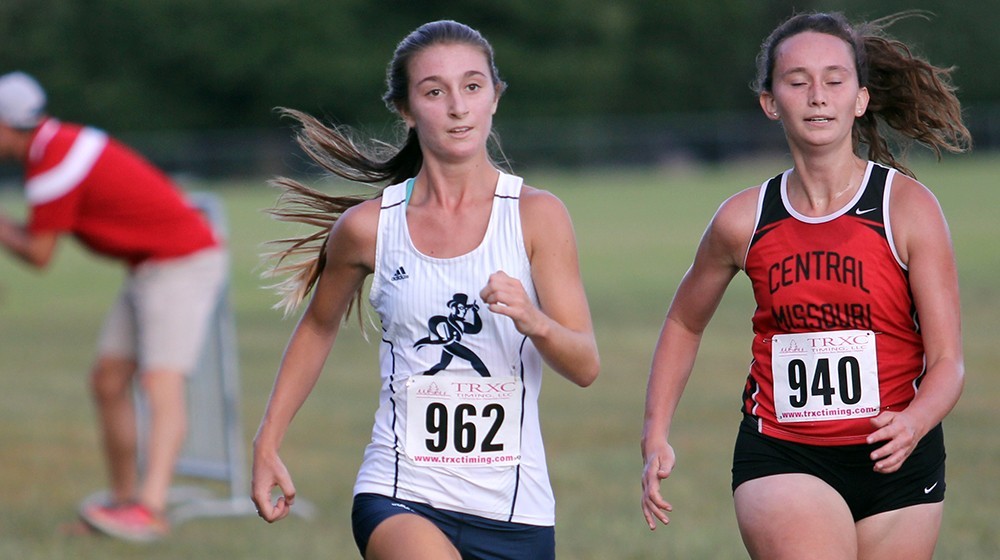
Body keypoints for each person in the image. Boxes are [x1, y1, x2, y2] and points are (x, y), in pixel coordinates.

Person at [251, 20, 599, 560]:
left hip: (516, 509)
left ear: (494, 98)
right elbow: (318, 327)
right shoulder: (370, 228)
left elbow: (585, 366)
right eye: (435, 92)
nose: (458, 106)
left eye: (473, 86)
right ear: (407, 110)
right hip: (400, 492)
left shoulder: (539, 216)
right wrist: (267, 440)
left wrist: (534, 320)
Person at [640, 11, 969, 560]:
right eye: (798, 82)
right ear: (771, 102)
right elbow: (683, 321)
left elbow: (948, 362)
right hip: (784, 455)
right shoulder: (743, 219)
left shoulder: (908, 209)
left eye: (834, 80)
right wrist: (655, 433)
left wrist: (913, 423)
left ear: (859, 99)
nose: (818, 96)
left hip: (897, 461)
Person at [0, 71, 229, 542]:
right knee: (108, 380)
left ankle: (151, 508)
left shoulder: (53, 161)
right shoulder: (54, 145)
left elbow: (38, 255)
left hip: (180, 261)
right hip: (150, 264)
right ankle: (123, 503)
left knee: (160, 380)